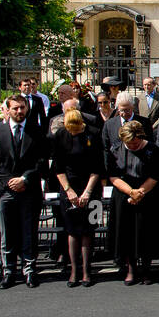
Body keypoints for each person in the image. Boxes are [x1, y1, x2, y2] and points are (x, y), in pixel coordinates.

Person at [0, 95, 49, 288]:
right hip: (5, 191)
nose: (19, 112)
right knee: (7, 234)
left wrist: (24, 179)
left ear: (27, 109)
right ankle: (9, 271)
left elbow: (42, 161)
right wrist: (10, 181)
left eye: (22, 108)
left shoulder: (36, 132)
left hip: (29, 190)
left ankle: (29, 270)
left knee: (29, 232)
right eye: (15, 108)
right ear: (8, 110)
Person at [108, 120, 159, 285]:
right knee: (127, 232)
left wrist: (139, 192)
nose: (132, 146)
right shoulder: (115, 150)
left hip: (148, 194)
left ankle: (147, 269)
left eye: (135, 143)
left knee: (146, 232)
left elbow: (155, 175)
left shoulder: (152, 149)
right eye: (129, 144)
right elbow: (113, 176)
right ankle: (131, 269)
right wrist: (131, 192)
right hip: (124, 196)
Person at [51, 109, 102, 287]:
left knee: (88, 229)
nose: (73, 132)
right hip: (69, 187)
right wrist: (69, 191)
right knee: (72, 231)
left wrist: (87, 192)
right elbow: (58, 167)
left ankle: (87, 271)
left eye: (76, 129)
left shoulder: (94, 134)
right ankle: (74, 270)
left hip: (91, 187)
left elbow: (98, 166)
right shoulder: (60, 136)